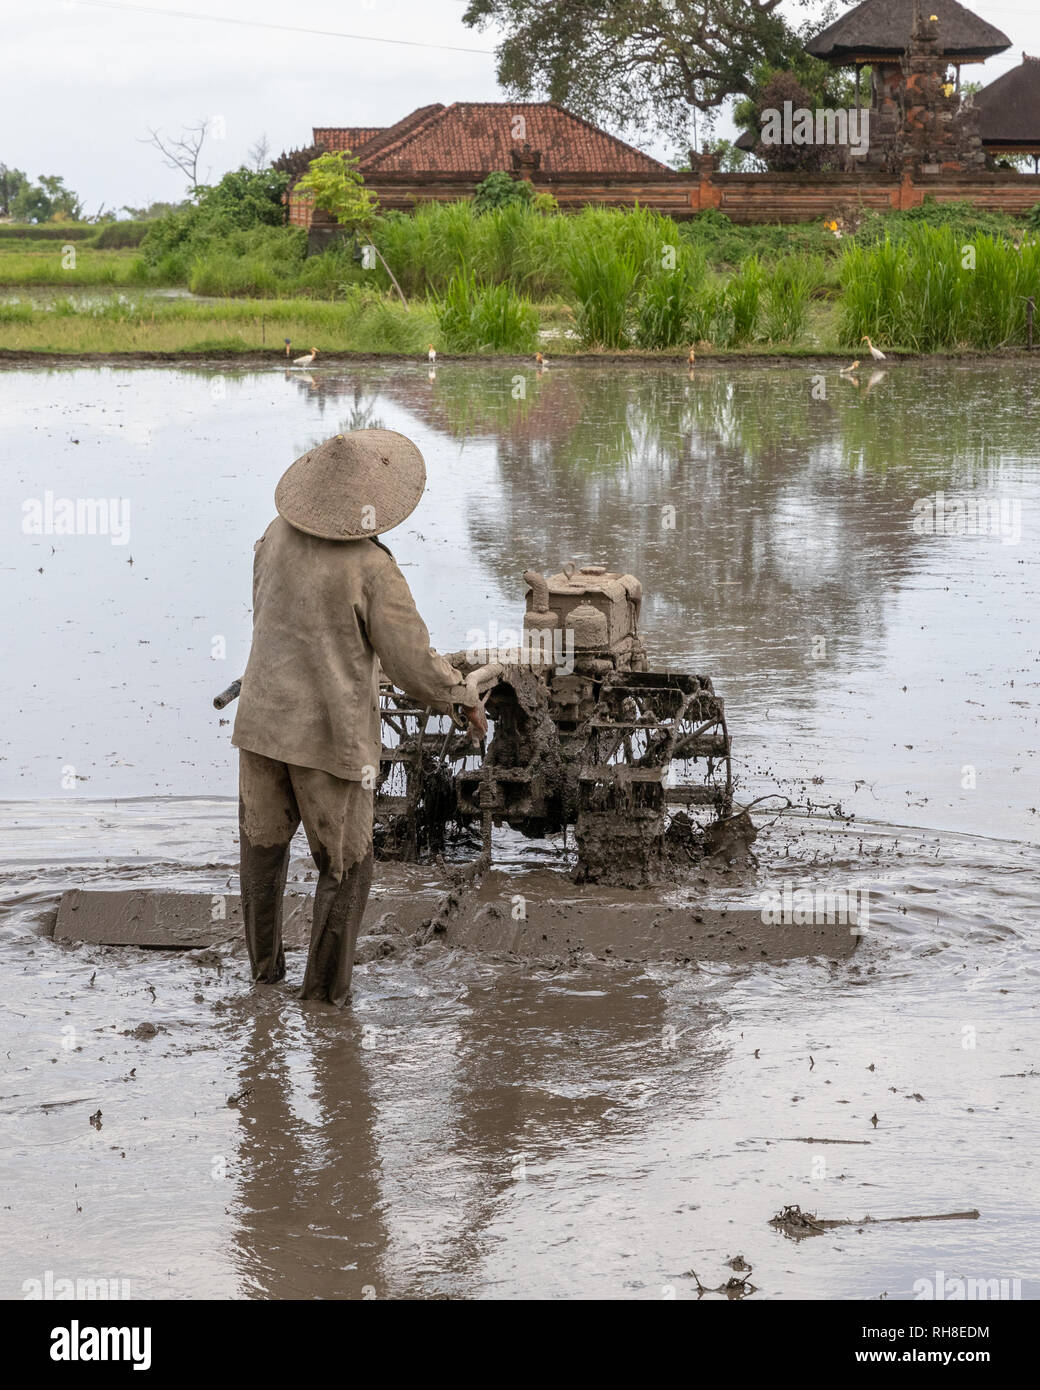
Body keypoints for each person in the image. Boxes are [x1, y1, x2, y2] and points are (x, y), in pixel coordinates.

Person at [231, 429, 486, 1006]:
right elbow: (411, 660)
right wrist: (461, 697)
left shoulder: (272, 537)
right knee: (345, 868)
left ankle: (264, 979)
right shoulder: (372, 567)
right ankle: (323, 1002)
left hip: (261, 728)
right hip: (331, 744)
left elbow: (270, 620)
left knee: (262, 856)